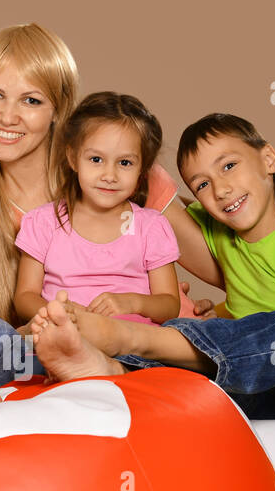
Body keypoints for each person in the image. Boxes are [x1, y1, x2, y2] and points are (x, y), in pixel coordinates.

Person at [0, 23, 275, 371]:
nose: (7, 115)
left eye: (32, 101)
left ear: (60, 111)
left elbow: (238, 268)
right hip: (57, 344)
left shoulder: (128, 175)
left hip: (168, 343)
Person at [29, 112, 275, 420]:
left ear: (269, 159)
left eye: (229, 166)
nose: (221, 189)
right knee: (189, 330)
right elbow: (148, 187)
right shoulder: (219, 234)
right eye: (202, 185)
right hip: (259, 394)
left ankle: (130, 339)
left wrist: (222, 331)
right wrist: (219, 324)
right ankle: (114, 368)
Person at [12, 91, 180, 329]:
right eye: (96, 160)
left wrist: (132, 303)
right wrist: (59, 311)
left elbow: (170, 305)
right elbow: (24, 297)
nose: (109, 176)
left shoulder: (150, 227)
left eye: (125, 163)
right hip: (65, 332)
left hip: (131, 342)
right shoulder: (43, 222)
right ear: (73, 158)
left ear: (142, 170)